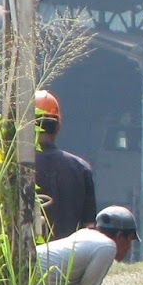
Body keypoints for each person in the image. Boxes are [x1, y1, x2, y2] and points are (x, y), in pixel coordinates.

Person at [33, 89, 97, 241]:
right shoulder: (81, 169)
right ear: (58, 126)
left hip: (27, 259)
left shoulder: (16, 168)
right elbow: (89, 226)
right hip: (71, 261)